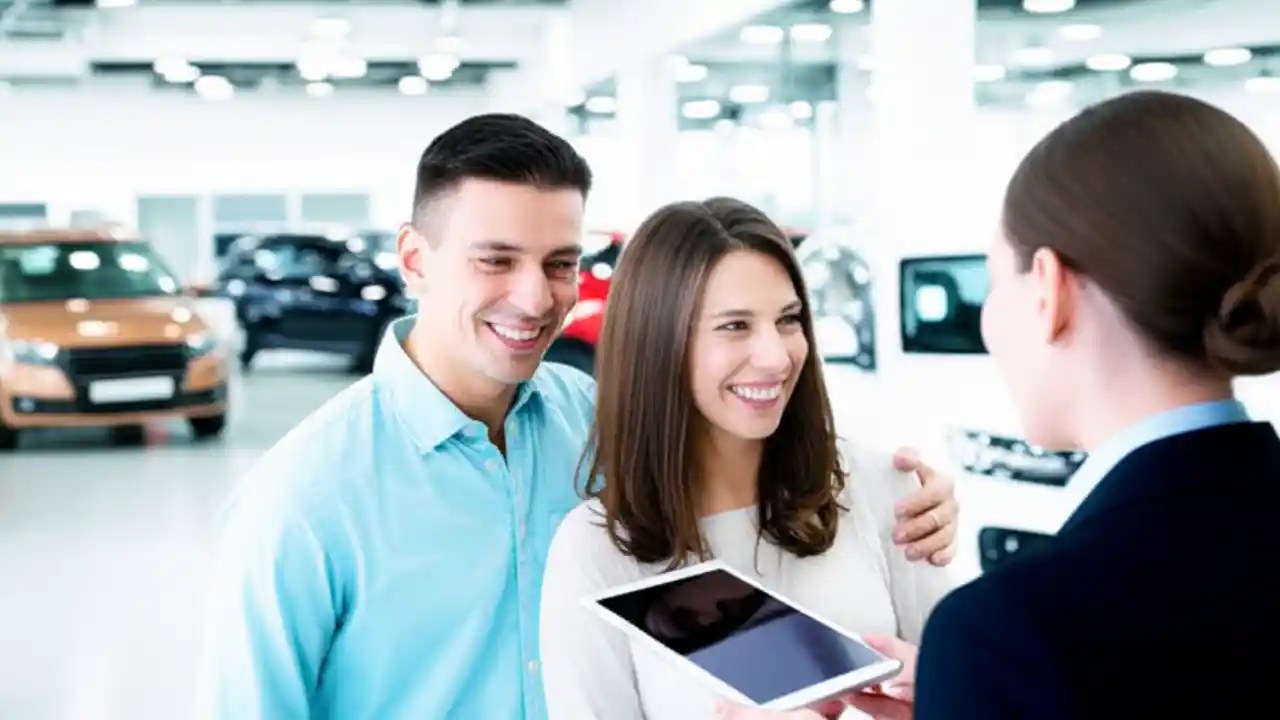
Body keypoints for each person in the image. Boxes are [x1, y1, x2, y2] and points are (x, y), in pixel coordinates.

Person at [192, 114, 958, 719]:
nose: (536, 299)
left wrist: (899, 505)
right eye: (496, 260)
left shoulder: (610, 433)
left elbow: (781, 655)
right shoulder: (302, 500)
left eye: (561, 263)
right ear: (415, 259)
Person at [718, 90, 1280, 719]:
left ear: (1049, 287)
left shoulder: (1014, 629)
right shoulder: (1011, 643)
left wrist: (983, 677)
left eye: (993, 280)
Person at [539, 197, 959, 720]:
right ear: (659, 342)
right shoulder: (598, 548)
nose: (777, 356)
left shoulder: (885, 491)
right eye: (735, 326)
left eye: (788, 320)